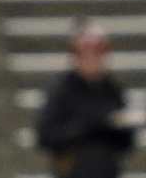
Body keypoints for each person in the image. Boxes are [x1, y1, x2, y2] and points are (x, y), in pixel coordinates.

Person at [36, 19, 141, 178]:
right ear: (75, 55)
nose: (91, 58)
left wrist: (117, 127)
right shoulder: (61, 90)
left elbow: (126, 142)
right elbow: (46, 136)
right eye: (85, 51)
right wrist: (88, 126)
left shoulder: (112, 89)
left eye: (98, 51)